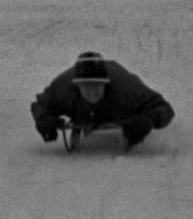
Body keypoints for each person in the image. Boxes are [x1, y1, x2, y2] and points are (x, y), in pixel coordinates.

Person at [30, 51, 174, 149]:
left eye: (97, 87)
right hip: (83, 111)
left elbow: (164, 108)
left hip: (117, 101)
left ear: (106, 84)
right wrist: (43, 117)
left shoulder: (127, 89)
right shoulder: (63, 90)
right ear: (77, 86)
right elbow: (40, 104)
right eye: (86, 88)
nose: (92, 93)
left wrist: (148, 119)